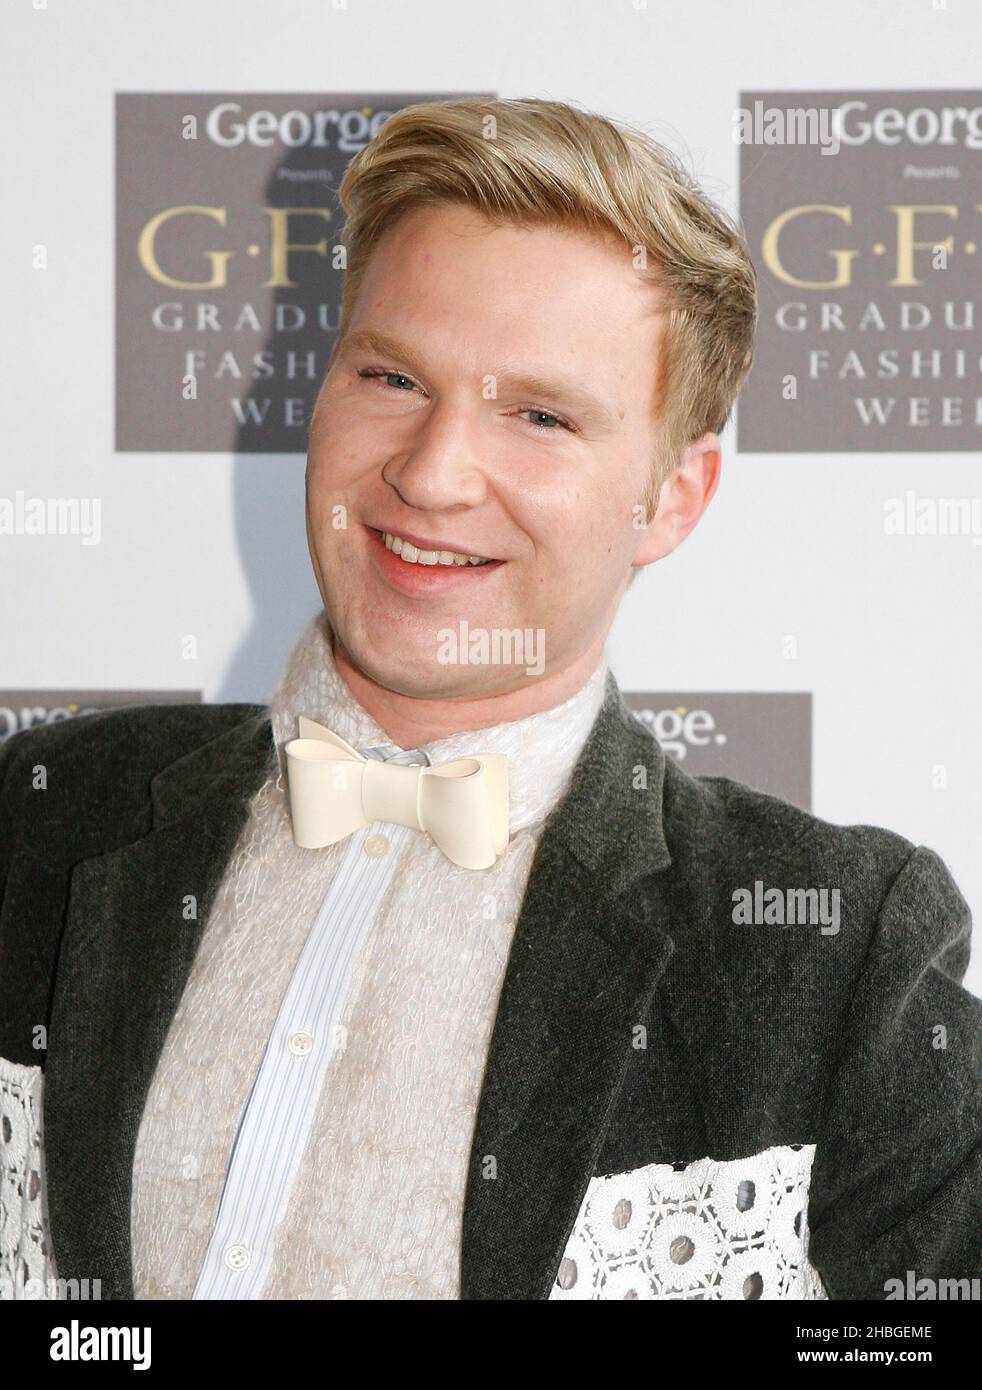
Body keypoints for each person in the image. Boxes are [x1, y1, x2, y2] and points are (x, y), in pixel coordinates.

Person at [1, 96, 978, 1303]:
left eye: (540, 415)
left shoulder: (834, 949)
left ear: (674, 496)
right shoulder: (40, 814)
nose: (429, 472)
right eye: (393, 375)